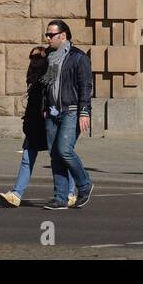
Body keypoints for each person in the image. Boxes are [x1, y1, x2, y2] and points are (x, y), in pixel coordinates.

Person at [0, 47, 74, 208]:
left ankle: (71, 192)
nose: (34, 61)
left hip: (49, 123)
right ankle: (16, 194)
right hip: (34, 126)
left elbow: (53, 95)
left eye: (38, 57)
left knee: (61, 156)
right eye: (31, 57)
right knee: (27, 158)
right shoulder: (32, 77)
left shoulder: (49, 74)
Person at [41, 20, 94, 211]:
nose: (47, 38)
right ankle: (60, 197)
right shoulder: (50, 56)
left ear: (63, 36)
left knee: (64, 150)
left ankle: (85, 184)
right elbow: (48, 84)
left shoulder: (78, 58)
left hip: (71, 111)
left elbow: (85, 86)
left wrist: (84, 112)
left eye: (50, 35)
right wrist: (46, 105)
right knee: (55, 155)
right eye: (47, 35)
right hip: (53, 112)